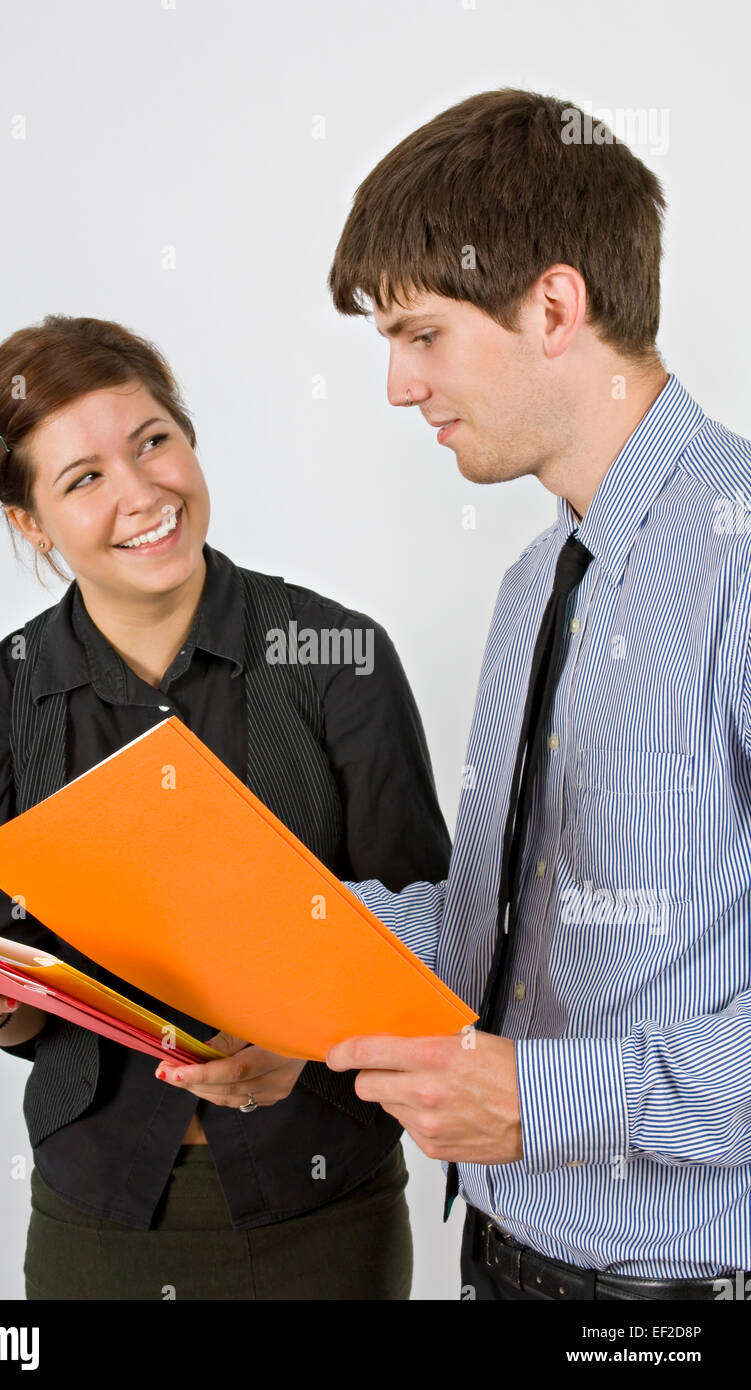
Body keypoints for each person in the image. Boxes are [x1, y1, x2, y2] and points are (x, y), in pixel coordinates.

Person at [0, 314, 452, 1300]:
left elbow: (426, 952)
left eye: (152, 440)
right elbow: (17, 1000)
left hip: (324, 1202)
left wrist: (298, 1040)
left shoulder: (338, 658)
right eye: (82, 478)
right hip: (101, 1211)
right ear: (30, 522)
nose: (144, 493)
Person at [318, 87, 751, 1300]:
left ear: (551, 306)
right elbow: (503, 921)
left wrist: (548, 1097)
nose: (400, 387)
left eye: (419, 333)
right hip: (501, 1253)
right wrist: (262, 939)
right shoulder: (533, 581)